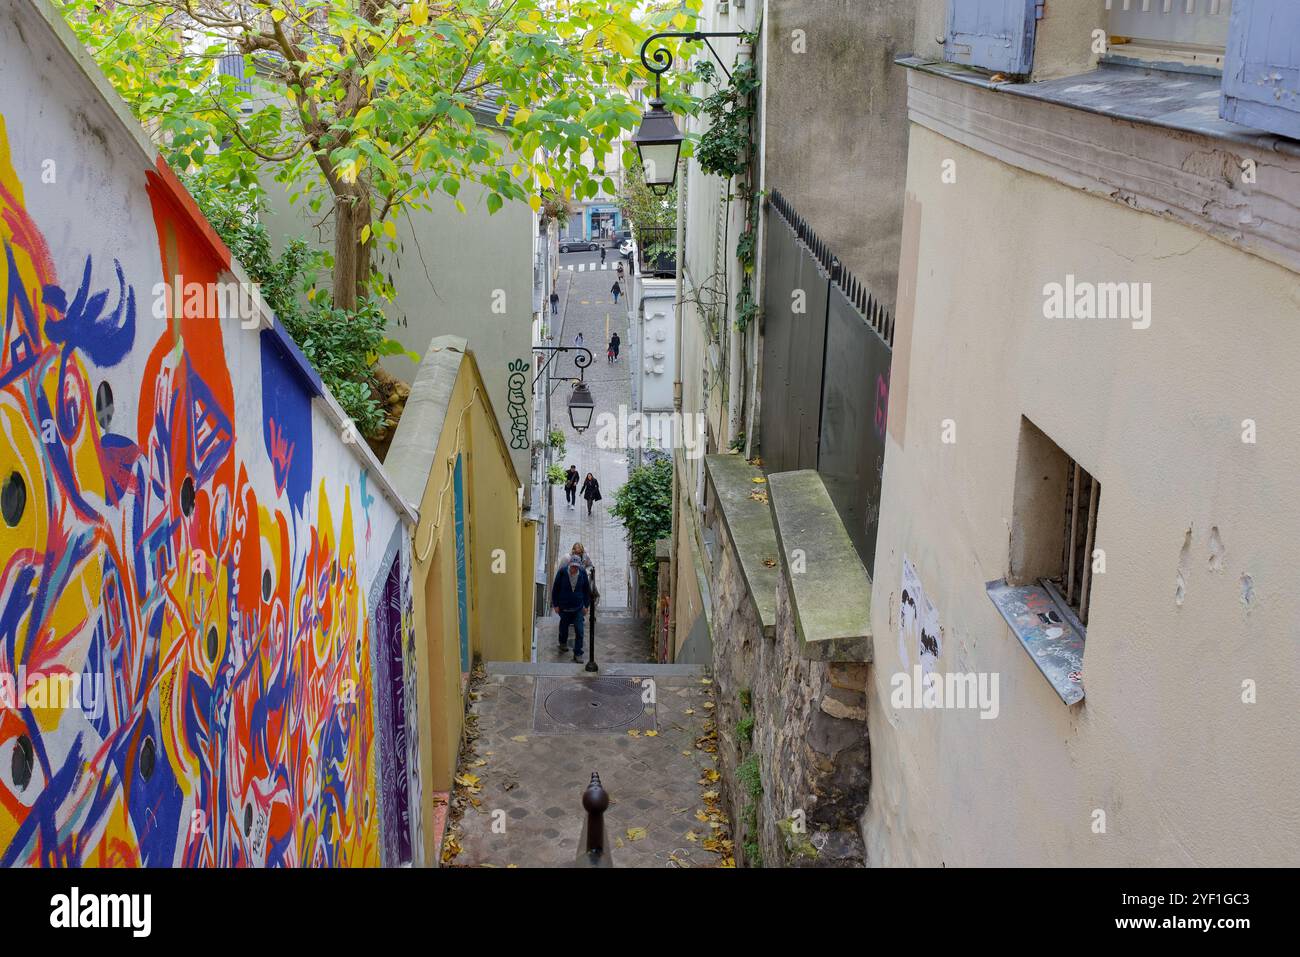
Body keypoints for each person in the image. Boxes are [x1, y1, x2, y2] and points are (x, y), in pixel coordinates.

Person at [551, 555, 591, 661]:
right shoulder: (562, 572)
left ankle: (578, 653)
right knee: (563, 629)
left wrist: (586, 605)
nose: (574, 569)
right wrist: (555, 605)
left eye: (576, 567)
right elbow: (555, 589)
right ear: (569, 565)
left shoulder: (582, 573)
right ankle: (563, 643)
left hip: (578, 608)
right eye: (573, 566)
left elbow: (586, 590)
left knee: (580, 630)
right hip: (564, 608)